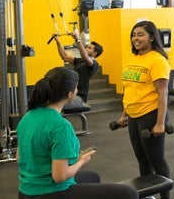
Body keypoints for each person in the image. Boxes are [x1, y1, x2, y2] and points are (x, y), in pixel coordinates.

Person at [17, 67, 137, 199]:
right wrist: (81, 161)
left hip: (25, 192)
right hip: (49, 193)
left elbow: (20, 158)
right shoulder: (60, 126)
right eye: (76, 87)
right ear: (70, 94)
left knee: (92, 177)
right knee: (128, 193)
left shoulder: (28, 117)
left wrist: (72, 158)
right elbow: (59, 177)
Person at [116, 20, 172, 199]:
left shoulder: (157, 60)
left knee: (157, 160)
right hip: (133, 116)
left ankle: (165, 197)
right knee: (142, 160)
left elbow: (163, 94)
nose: (135, 38)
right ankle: (149, 195)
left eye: (140, 34)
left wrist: (160, 123)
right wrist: (124, 114)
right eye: (133, 34)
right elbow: (130, 89)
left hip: (151, 115)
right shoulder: (134, 58)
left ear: (152, 37)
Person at [53, 31, 103, 112]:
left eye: (89, 48)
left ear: (94, 53)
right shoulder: (79, 61)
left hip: (79, 98)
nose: (86, 48)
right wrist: (58, 41)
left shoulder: (94, 64)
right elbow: (64, 57)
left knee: (54, 105)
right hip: (70, 94)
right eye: (87, 47)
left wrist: (78, 39)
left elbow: (86, 57)